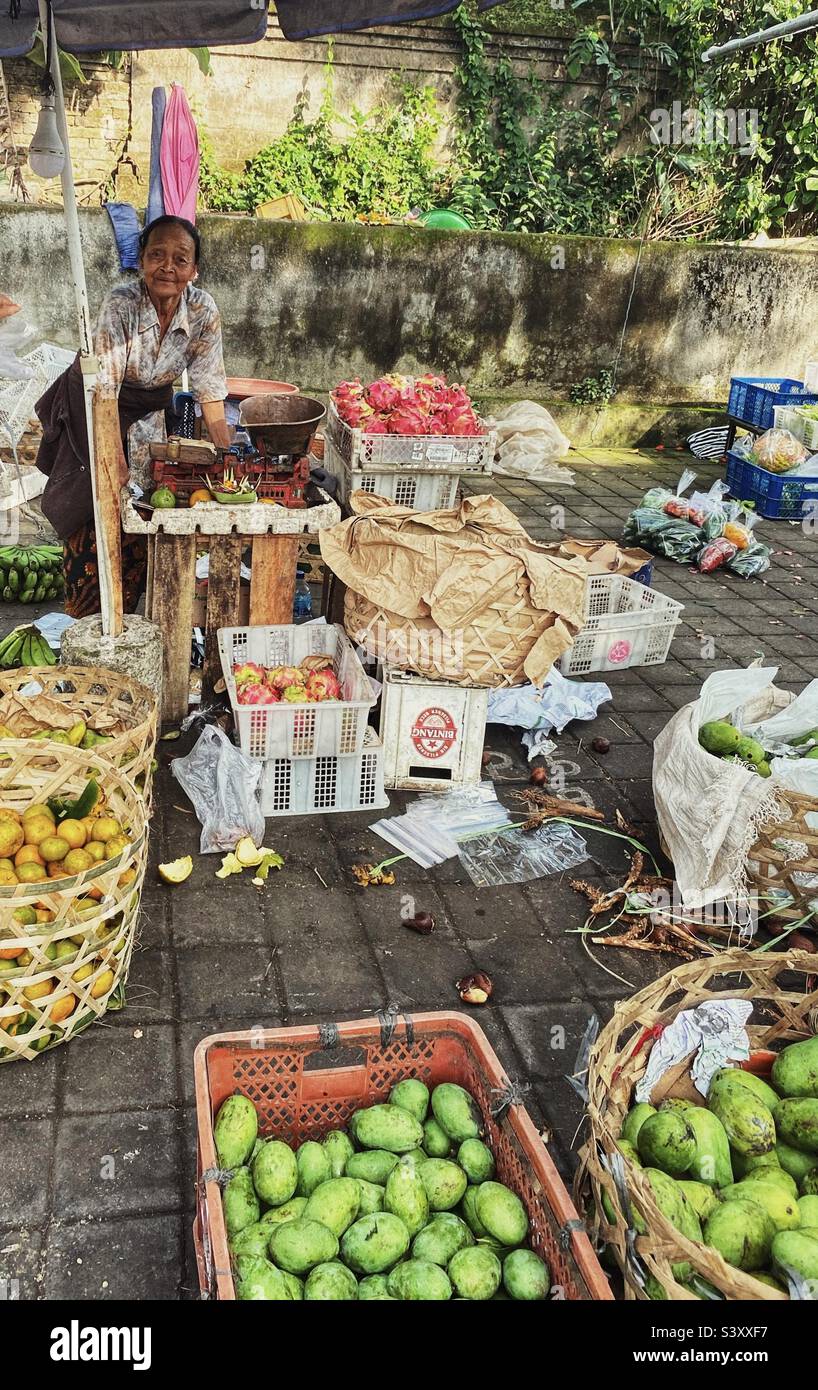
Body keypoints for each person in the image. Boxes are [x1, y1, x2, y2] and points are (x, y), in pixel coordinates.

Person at [35, 214, 231, 617]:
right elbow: (105, 394)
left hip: (149, 410)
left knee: (143, 508)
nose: (168, 267)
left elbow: (210, 387)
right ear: (140, 259)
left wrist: (226, 454)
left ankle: (125, 613)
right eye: (157, 254)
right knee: (96, 501)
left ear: (194, 269)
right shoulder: (121, 303)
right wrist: (113, 464)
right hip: (95, 402)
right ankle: (86, 618)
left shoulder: (202, 309)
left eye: (181, 259)